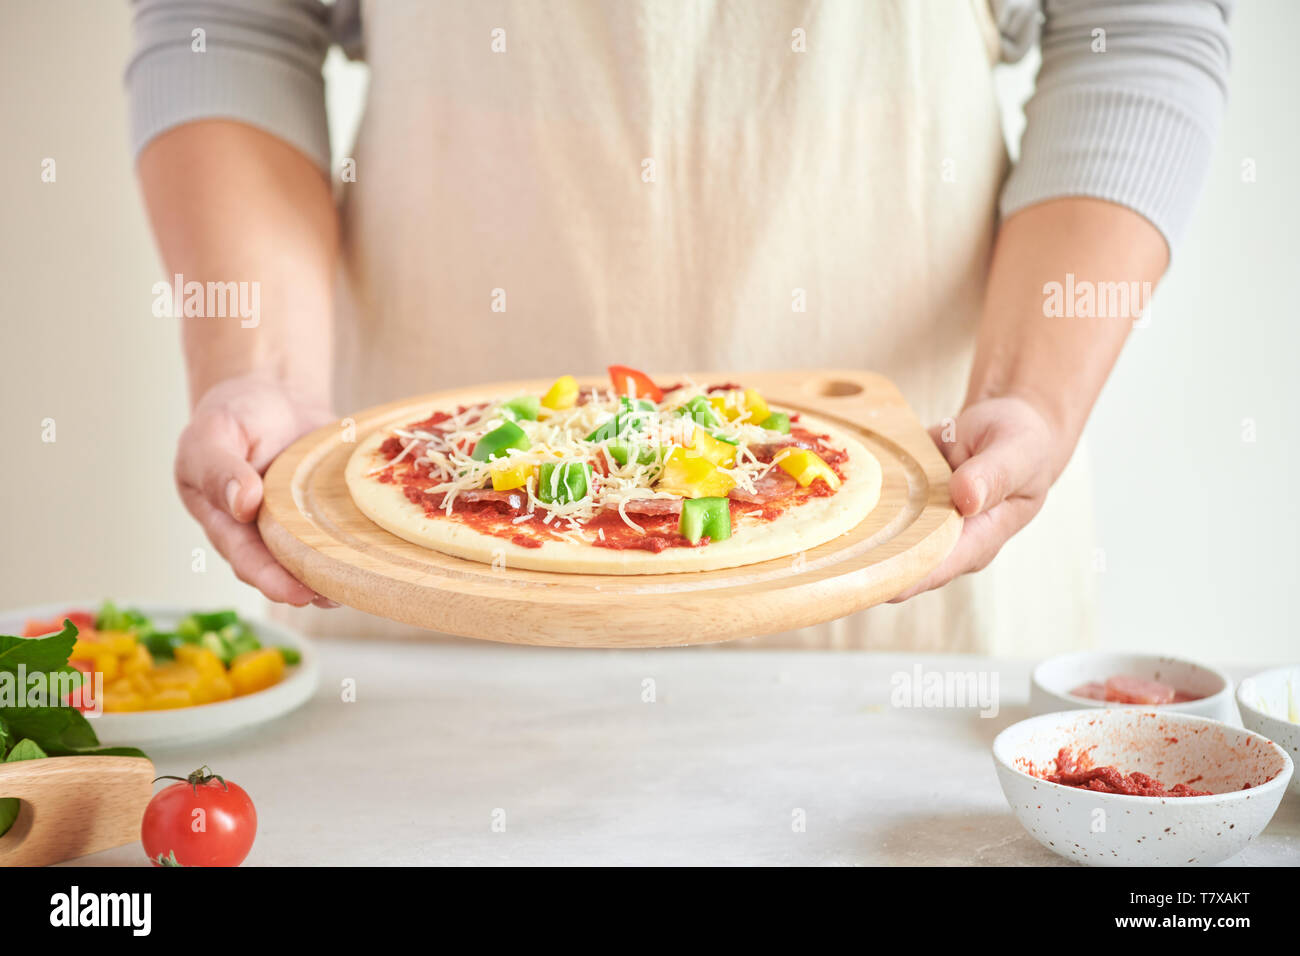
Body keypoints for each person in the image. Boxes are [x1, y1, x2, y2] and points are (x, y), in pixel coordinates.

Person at [127, 0, 1232, 653]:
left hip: (914, 565)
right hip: (432, 587)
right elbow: (232, 17)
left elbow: (1134, 23)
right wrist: (260, 371)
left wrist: (1031, 395)